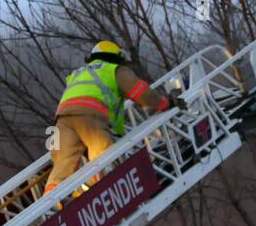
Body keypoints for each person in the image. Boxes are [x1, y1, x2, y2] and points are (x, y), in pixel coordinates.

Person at [44, 41, 184, 203]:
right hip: (90, 116)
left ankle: (52, 203)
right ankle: (102, 197)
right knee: (103, 156)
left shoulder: (78, 73)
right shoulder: (114, 69)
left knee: (62, 162)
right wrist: (165, 103)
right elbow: (142, 93)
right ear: (116, 56)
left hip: (62, 119)